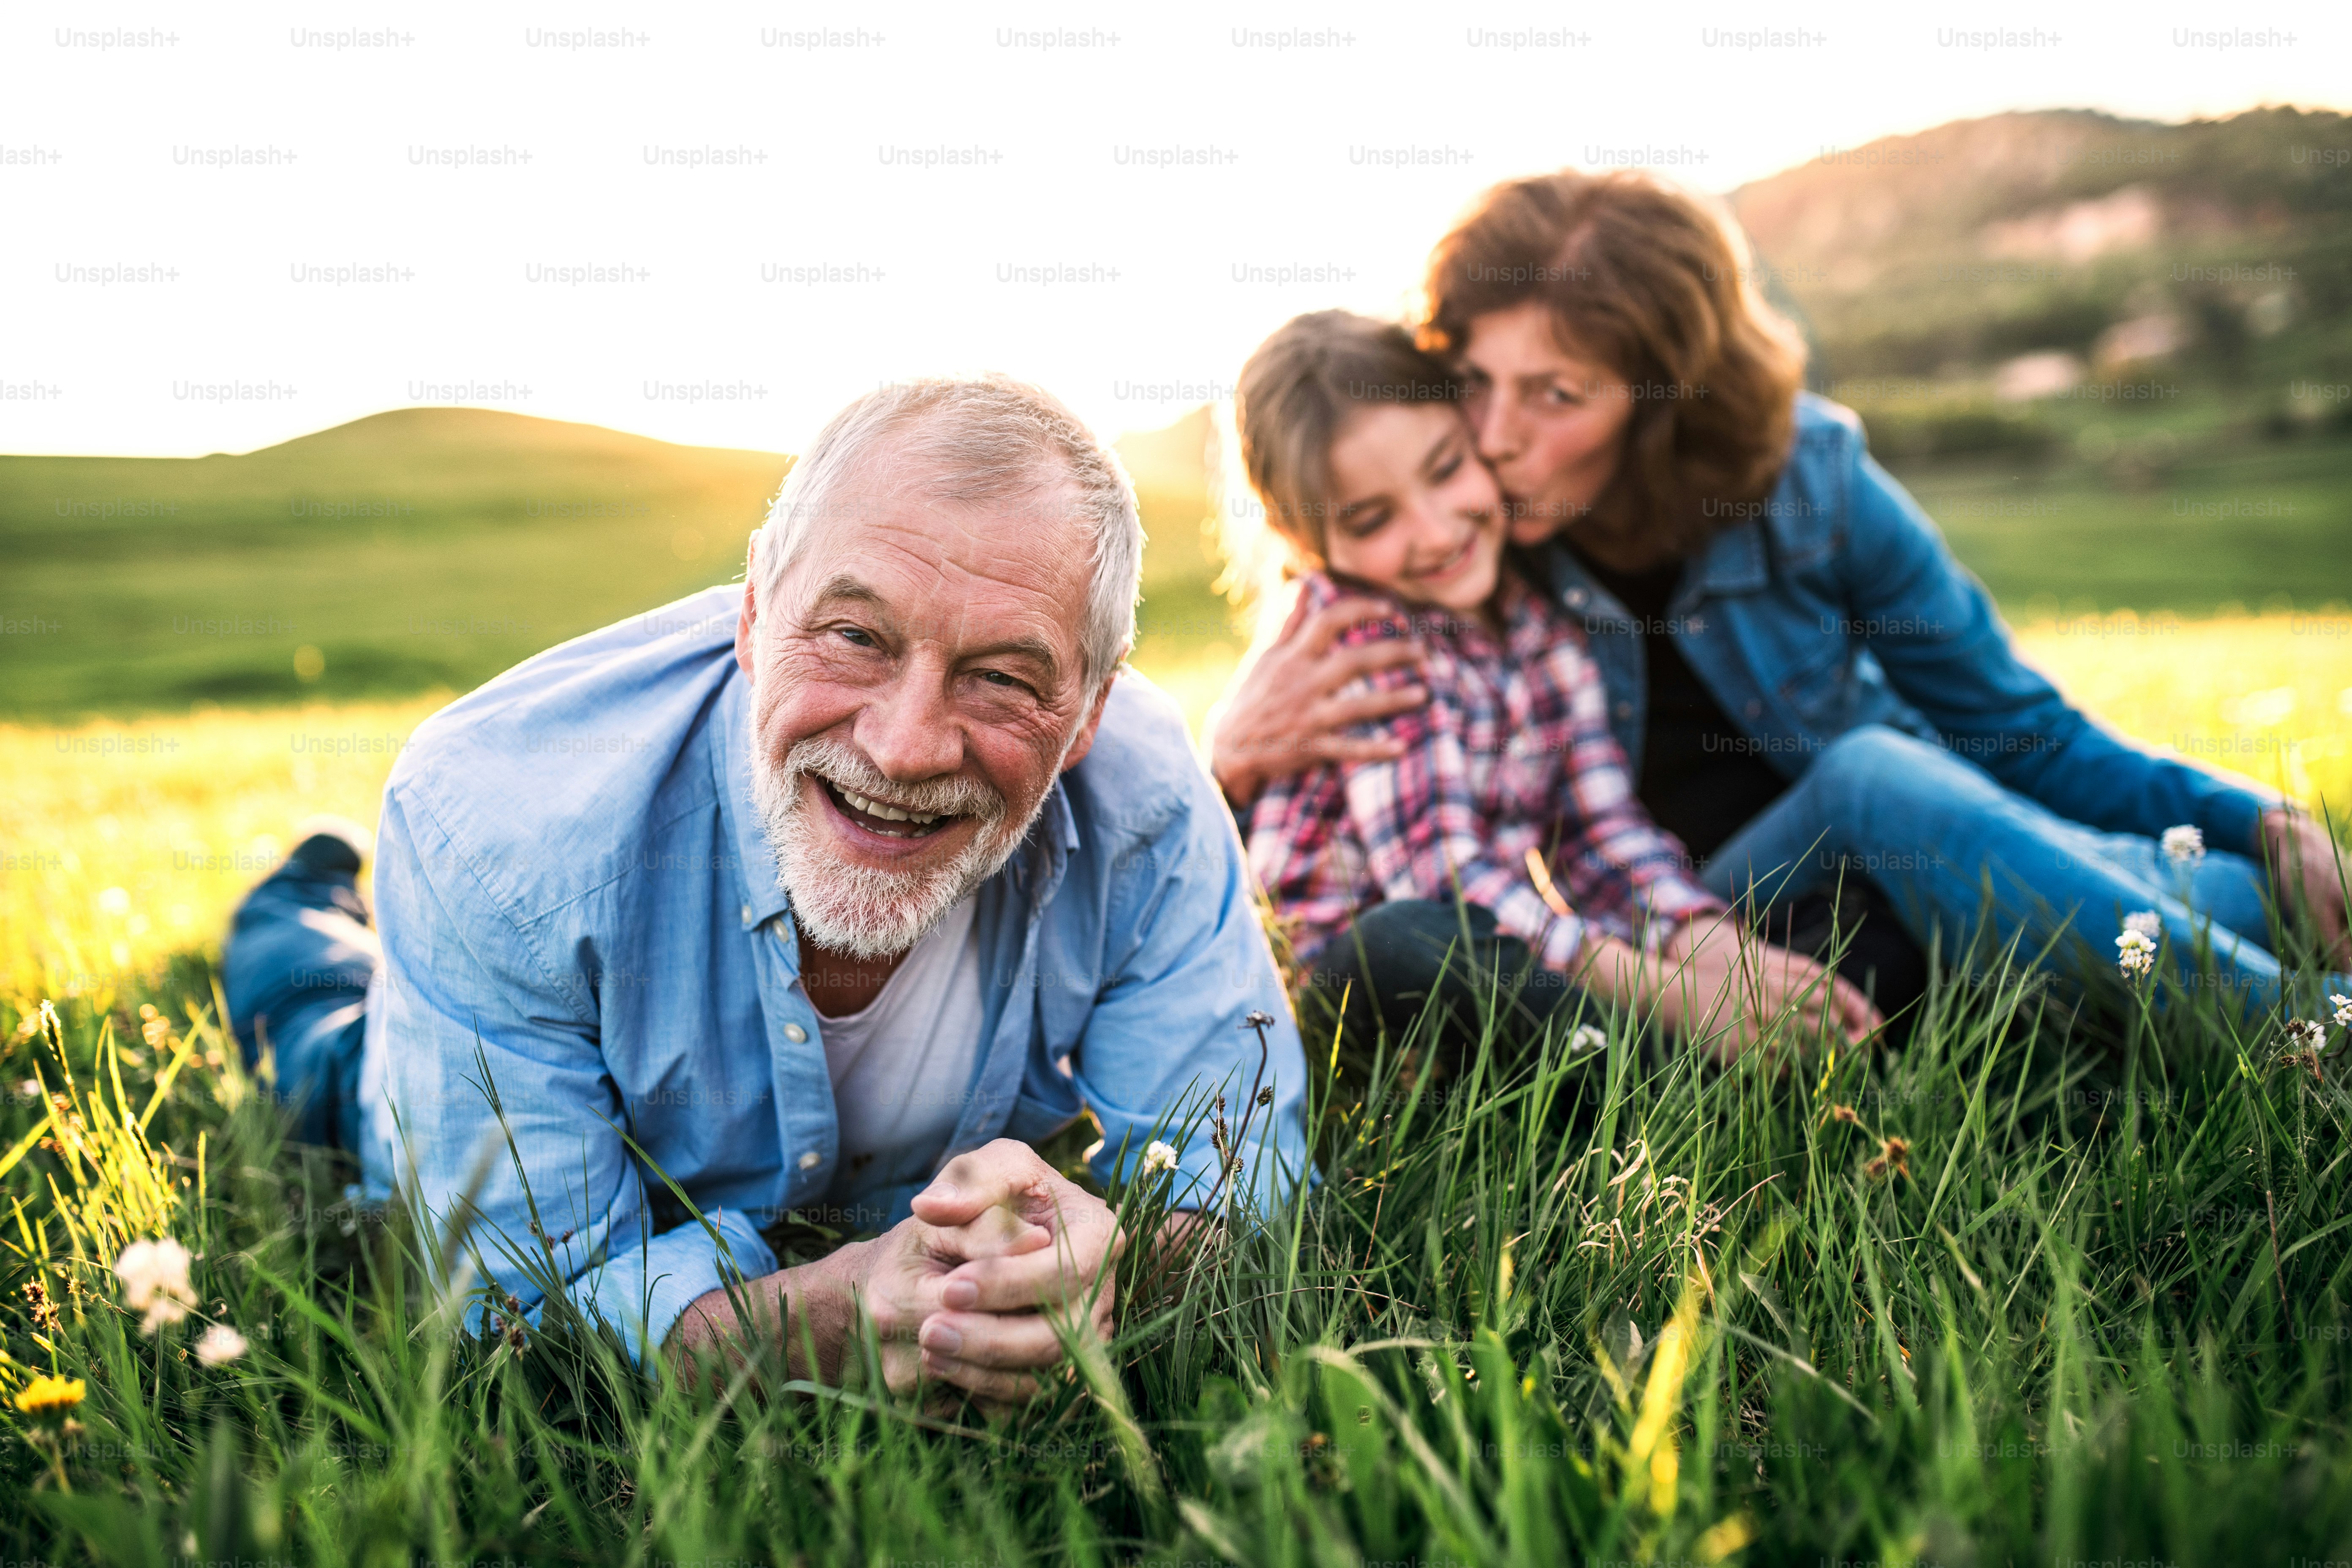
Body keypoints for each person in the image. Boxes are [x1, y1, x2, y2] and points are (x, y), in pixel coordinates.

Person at [226, 374, 1309, 1398]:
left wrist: (1100, 1272)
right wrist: (820, 1322)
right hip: (393, 1044)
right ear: (753, 612)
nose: (903, 747)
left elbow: (1241, 1181)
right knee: (318, 1041)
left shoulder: (1146, 800)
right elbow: (519, 1318)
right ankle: (296, 906)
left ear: (1089, 712)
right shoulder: (494, 823)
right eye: (853, 636)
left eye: (1003, 677)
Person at [1210, 169, 2348, 1013]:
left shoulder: (1812, 479)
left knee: (2191, 889)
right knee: (1906, 810)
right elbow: (1335, 709)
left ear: (1660, 397)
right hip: (1692, 913)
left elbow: (2012, 728)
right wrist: (1231, 753)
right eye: (1476, 384)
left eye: (1558, 395)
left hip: (1878, 863)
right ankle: (2303, 1034)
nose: (1496, 440)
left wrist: (2247, 812)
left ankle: (2222, 931)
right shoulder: (1452, 548)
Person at [1231, 309, 1881, 1057]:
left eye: (1447, 470)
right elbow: (1444, 881)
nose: (1439, 532)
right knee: (1404, 943)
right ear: (1308, 540)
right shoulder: (1358, 636)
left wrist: (1708, 946)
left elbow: (1601, 833)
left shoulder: (1539, 622)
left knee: (1828, 938)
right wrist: (1673, 994)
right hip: (1360, 995)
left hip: (1514, 963)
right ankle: (1670, 1063)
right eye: (1374, 520)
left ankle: (1704, 1043)